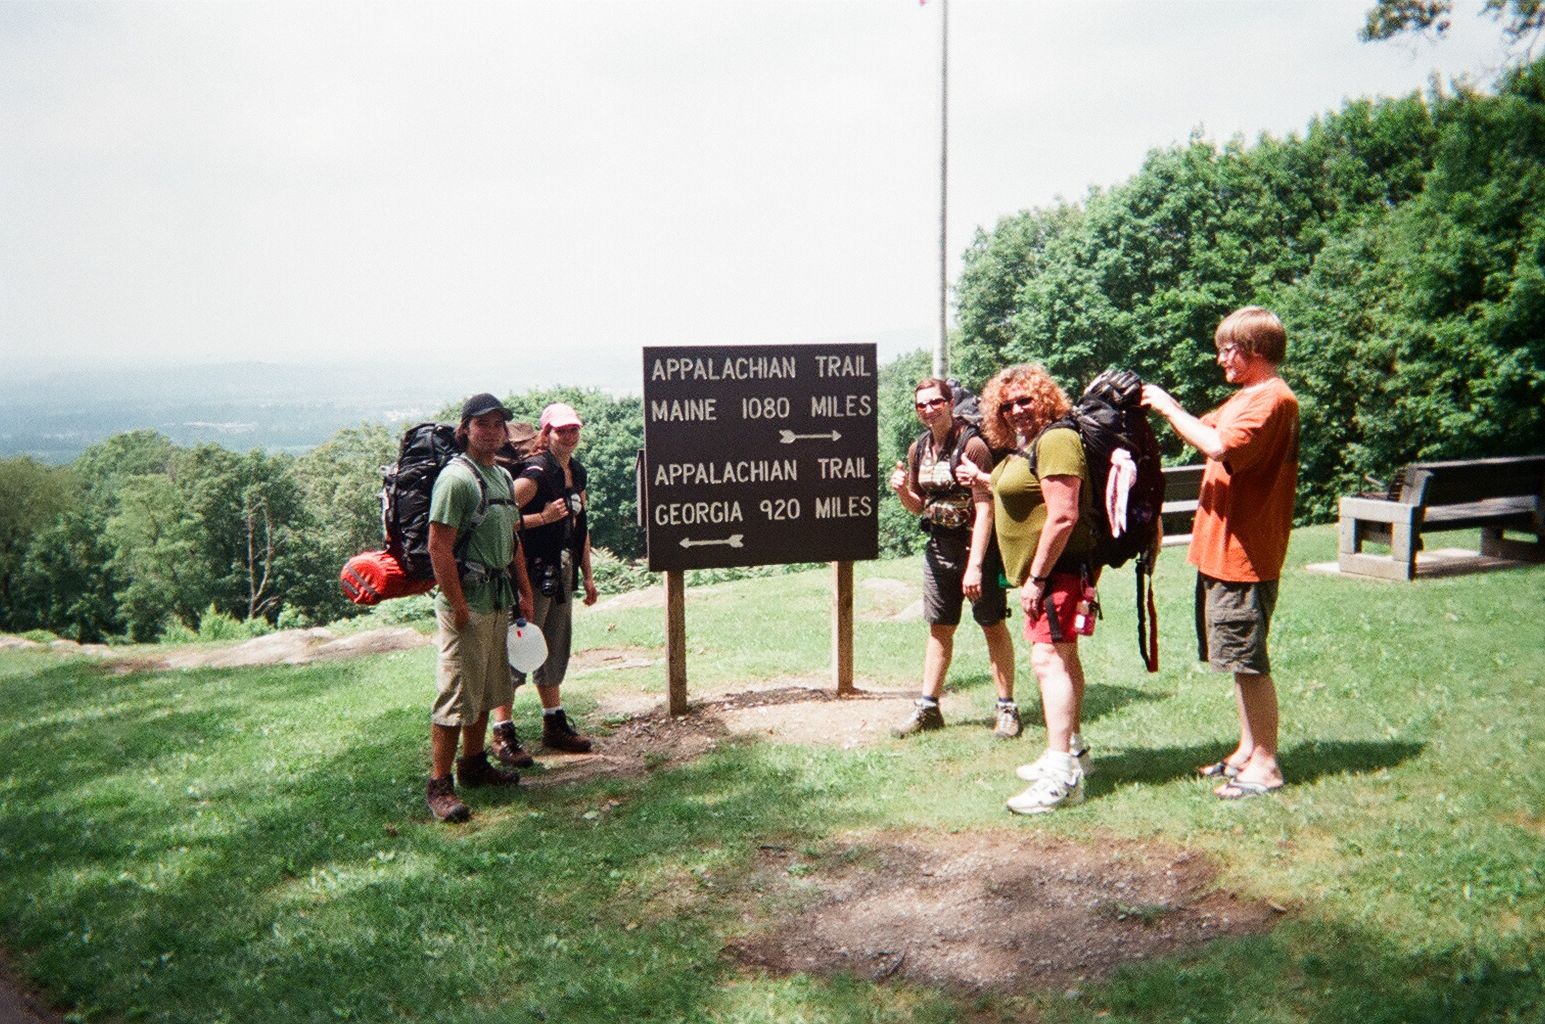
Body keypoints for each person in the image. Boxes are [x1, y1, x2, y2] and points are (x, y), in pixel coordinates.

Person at [1142, 307, 1299, 799]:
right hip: (1220, 553)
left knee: (1249, 661)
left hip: (1244, 556)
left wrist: (1167, 407)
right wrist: (1151, 404)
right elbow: (1201, 425)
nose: (1220, 359)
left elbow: (1216, 445)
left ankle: (1266, 764)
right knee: (1235, 657)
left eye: (1227, 350)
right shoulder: (1246, 397)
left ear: (1254, 349)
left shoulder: (1272, 400)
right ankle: (1247, 750)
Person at [980, 365, 1095, 815]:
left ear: (1045, 397)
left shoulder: (1057, 439)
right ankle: (1072, 751)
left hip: (1056, 574)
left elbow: (1063, 515)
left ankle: (1060, 775)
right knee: (1063, 658)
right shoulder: (1038, 443)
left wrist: (1037, 578)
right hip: (1053, 574)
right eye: (1007, 404)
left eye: (1025, 400)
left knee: (1048, 662)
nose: (1016, 410)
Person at [888, 378, 1018, 739]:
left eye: (935, 402)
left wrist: (975, 565)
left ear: (949, 403)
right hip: (938, 549)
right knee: (939, 627)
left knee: (991, 623)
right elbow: (919, 506)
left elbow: (985, 507)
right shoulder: (919, 449)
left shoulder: (972, 445)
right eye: (922, 405)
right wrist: (902, 491)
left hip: (976, 549)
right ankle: (928, 708)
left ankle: (1007, 708)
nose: (928, 409)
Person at [424, 392, 529, 823]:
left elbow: (514, 539)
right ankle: (439, 784)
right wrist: (458, 605)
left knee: (485, 688)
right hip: (467, 601)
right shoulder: (456, 480)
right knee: (456, 694)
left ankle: (473, 764)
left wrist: (523, 591)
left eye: (497, 424)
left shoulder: (501, 476)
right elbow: (438, 546)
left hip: (498, 598)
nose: (491, 431)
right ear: (465, 429)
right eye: (481, 423)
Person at [489, 401, 598, 760]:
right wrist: (544, 517)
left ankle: (554, 723)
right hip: (529, 573)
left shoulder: (575, 471)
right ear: (547, 433)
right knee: (518, 649)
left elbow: (580, 526)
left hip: (561, 571)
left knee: (553, 645)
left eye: (573, 429)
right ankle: (503, 733)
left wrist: (588, 576)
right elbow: (500, 520)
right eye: (561, 430)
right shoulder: (536, 473)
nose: (569, 435)